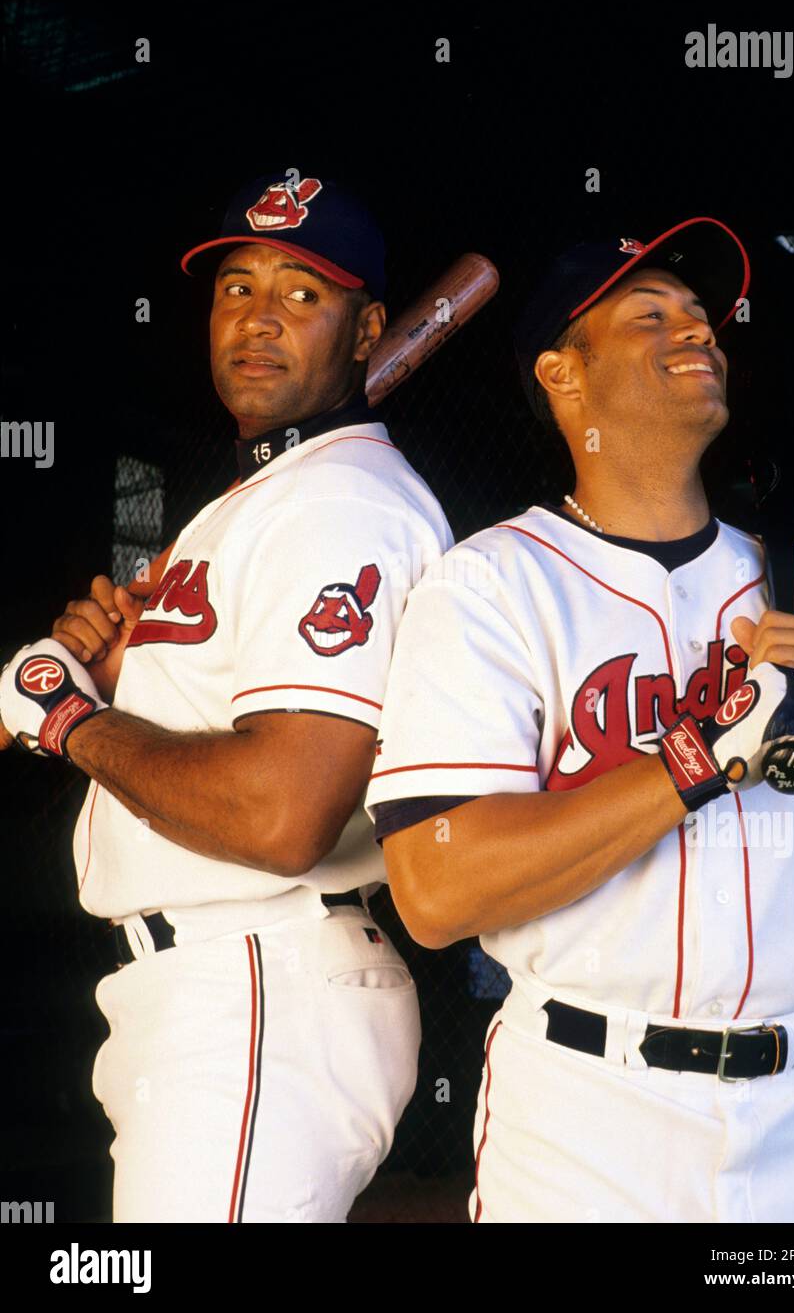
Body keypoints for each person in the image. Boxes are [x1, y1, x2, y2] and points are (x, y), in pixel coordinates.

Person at [363, 218, 794, 1223]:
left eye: (701, 317)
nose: (696, 332)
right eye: (650, 315)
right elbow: (433, 887)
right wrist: (701, 756)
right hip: (589, 1111)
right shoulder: (491, 585)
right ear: (563, 377)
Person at [0, 169, 452, 1223]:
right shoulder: (262, 500)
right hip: (216, 989)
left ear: (368, 327)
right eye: (236, 287)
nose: (258, 318)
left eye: (303, 293)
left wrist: (72, 721)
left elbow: (281, 814)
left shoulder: (340, 503)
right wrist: (114, 671)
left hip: (258, 978)